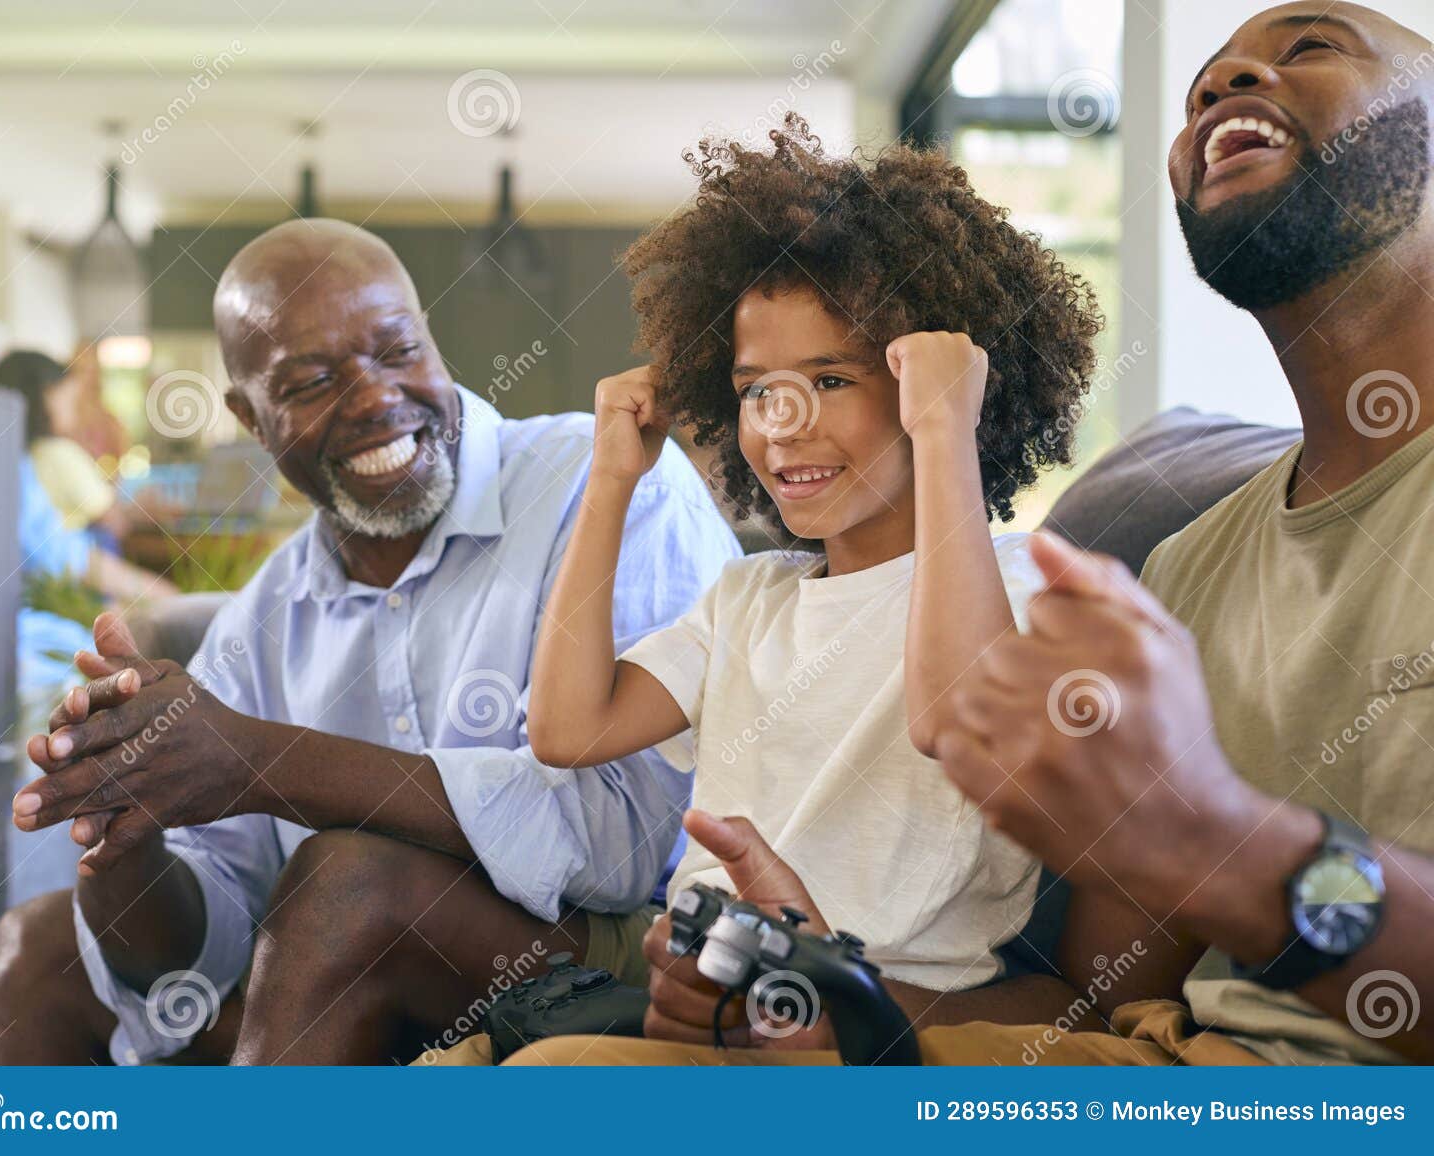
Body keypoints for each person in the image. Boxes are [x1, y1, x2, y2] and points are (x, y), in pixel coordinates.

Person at [511, 0, 1434, 1067]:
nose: (1222, 86)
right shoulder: (1185, 570)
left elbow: (969, 731)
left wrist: (1208, 834)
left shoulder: (1031, 582)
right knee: (564, 1073)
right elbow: (1102, 993)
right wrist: (848, 1006)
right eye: (1201, 85)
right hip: (1167, 1066)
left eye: (1309, 45)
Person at [0, 220, 741, 1065]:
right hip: (333, 956)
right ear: (250, 421)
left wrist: (257, 760)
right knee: (34, 946)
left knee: (348, 885)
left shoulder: (608, 486)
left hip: (624, 944)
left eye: (398, 350)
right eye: (312, 381)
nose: (374, 397)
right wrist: (129, 836)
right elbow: (186, 957)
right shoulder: (268, 614)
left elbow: (619, 844)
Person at [524, 115, 1103, 1039]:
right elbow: (566, 726)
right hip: (700, 995)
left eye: (831, 379)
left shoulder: (1025, 588)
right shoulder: (751, 600)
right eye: (757, 389)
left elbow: (960, 724)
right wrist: (610, 479)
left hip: (877, 1028)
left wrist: (948, 431)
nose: (782, 424)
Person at [0, 350, 177, 603]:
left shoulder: (11, 463)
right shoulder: (55, 455)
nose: (74, 407)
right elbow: (86, 545)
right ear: (46, 396)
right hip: (76, 586)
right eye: (68, 398)